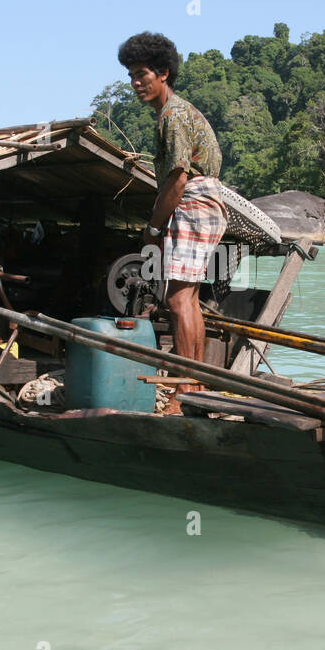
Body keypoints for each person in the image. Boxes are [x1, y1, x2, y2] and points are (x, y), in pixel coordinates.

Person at [117, 32, 227, 408]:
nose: (135, 83)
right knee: (190, 300)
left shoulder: (173, 116)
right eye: (131, 75)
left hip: (194, 202)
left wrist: (152, 229)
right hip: (207, 204)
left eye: (142, 74)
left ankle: (182, 393)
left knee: (178, 302)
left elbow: (179, 178)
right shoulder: (178, 112)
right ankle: (195, 387)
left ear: (163, 73)